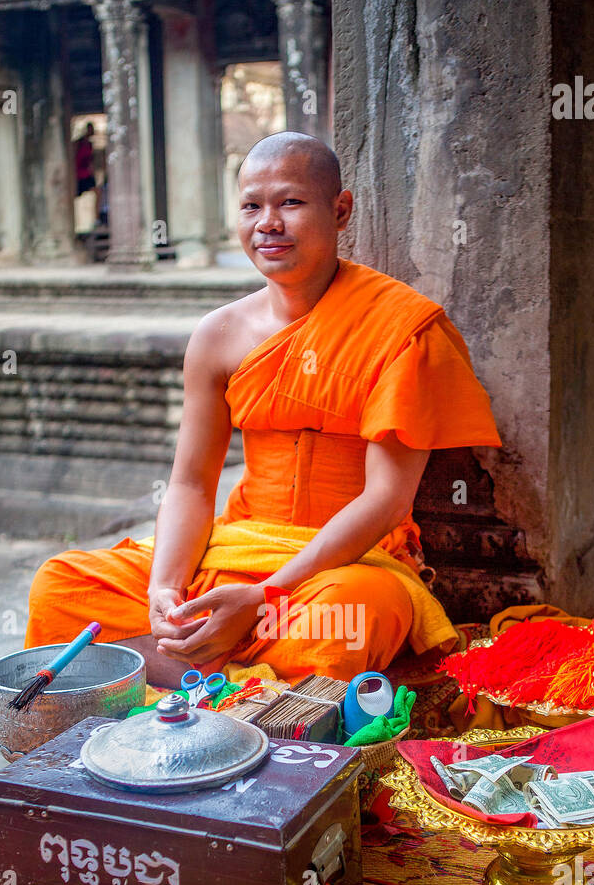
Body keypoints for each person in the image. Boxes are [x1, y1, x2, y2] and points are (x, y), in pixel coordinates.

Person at [25, 132, 503, 686]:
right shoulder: (219, 334)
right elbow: (191, 486)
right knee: (60, 585)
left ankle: (185, 678)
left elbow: (386, 501)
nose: (267, 223)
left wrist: (264, 597)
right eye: (252, 205)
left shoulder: (400, 328)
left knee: (347, 618)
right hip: (241, 540)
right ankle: (241, 679)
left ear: (340, 210)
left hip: (342, 563)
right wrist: (164, 590)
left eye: (290, 203)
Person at [74, 123, 96, 197]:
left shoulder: (90, 144)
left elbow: (90, 159)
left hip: (86, 173)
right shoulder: (79, 142)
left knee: (97, 191)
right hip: (79, 174)